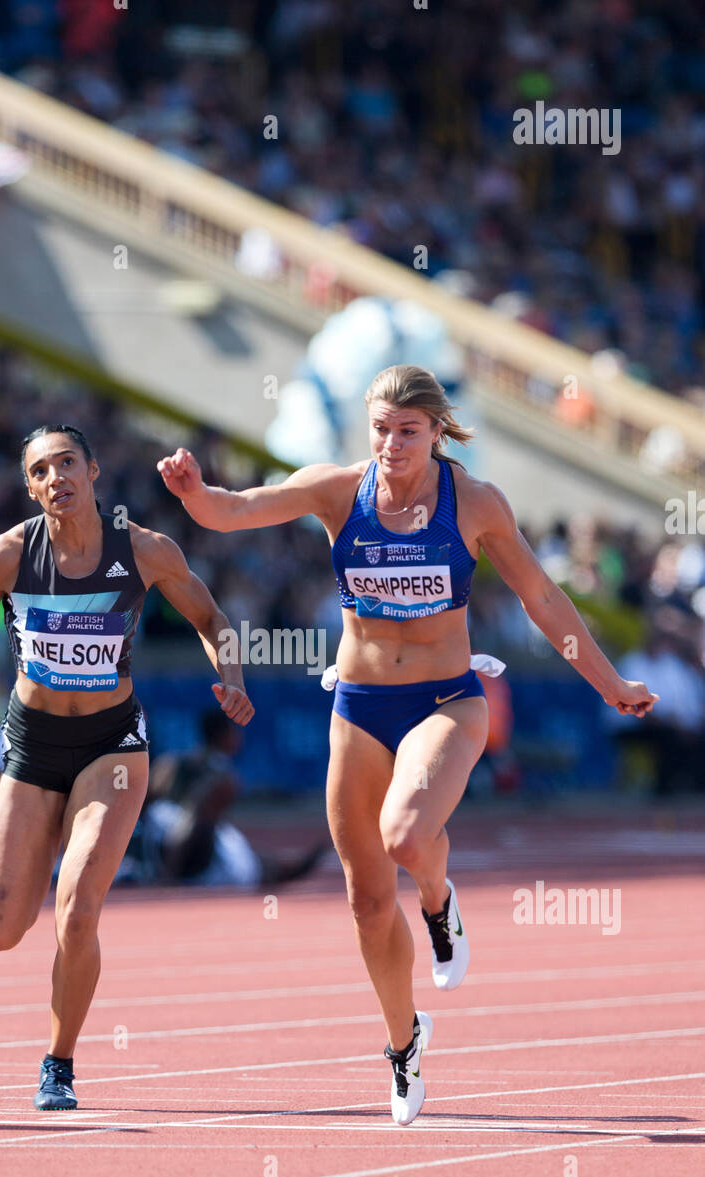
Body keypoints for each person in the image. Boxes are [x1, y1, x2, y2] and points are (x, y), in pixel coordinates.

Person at [157, 365, 658, 1125]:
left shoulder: (476, 503)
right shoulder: (338, 490)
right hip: (357, 708)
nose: (392, 445)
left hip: (447, 701)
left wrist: (608, 682)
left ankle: (438, 900)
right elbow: (237, 510)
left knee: (405, 835)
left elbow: (542, 596)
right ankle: (403, 1043)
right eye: (382, 430)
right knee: (363, 901)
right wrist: (195, 493)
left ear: (436, 431)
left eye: (409, 432)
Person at [0, 425, 253, 1111]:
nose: (56, 478)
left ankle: (59, 1061)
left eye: (66, 463)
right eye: (41, 470)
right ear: (30, 486)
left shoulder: (142, 550)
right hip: (32, 744)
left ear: (93, 470)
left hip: (113, 746)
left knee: (77, 911)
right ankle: (40, 846)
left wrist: (231, 677)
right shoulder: (6, 555)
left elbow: (212, 615)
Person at [138, 706, 326, 886]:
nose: (239, 738)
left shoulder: (169, 764)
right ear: (225, 735)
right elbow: (195, 814)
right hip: (186, 857)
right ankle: (277, 870)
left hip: (160, 847)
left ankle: (281, 867)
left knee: (245, 852)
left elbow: (143, 806)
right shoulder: (222, 779)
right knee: (246, 863)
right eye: (235, 732)